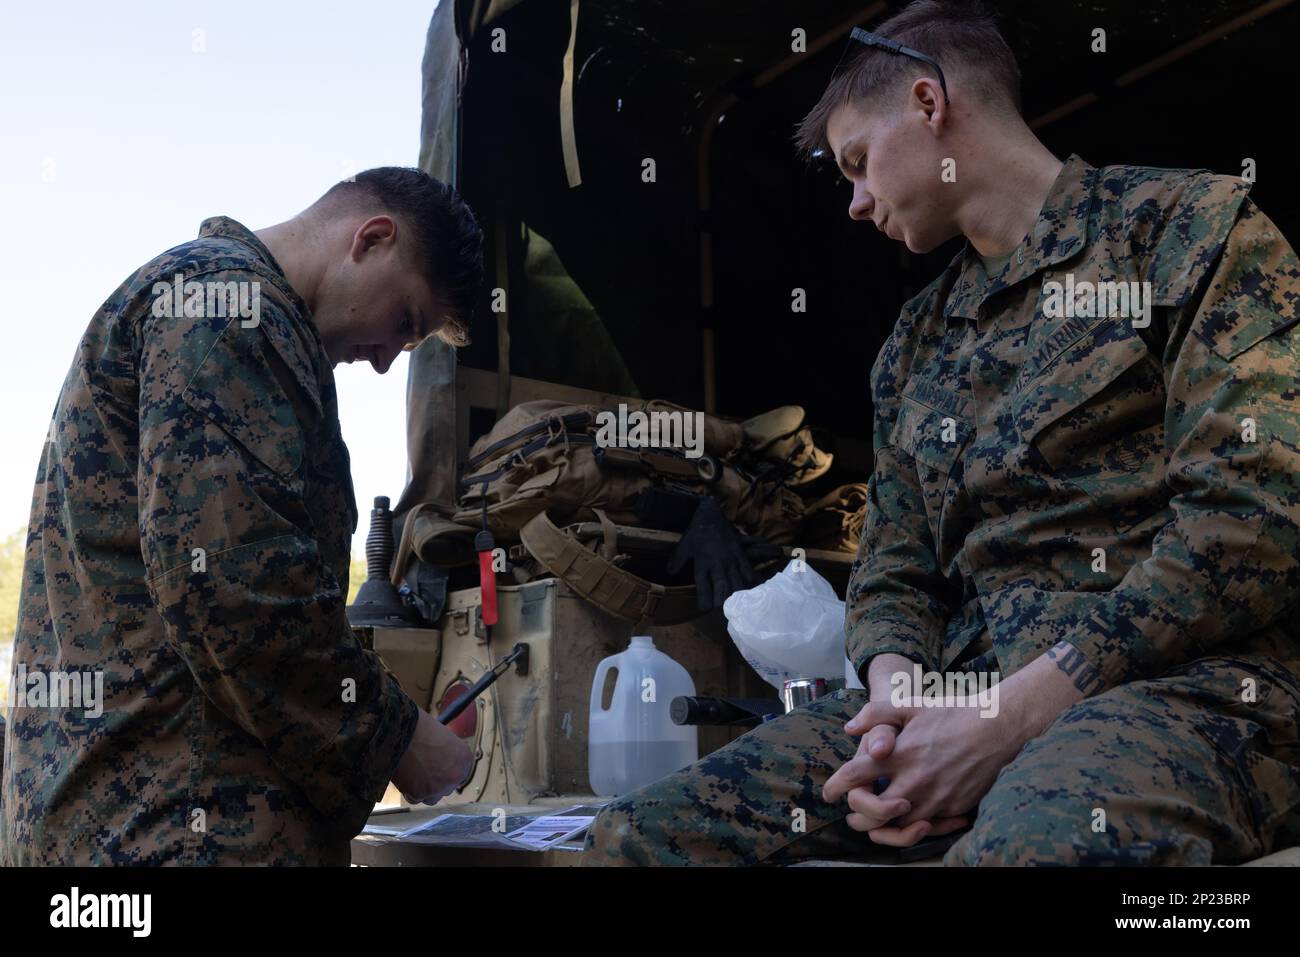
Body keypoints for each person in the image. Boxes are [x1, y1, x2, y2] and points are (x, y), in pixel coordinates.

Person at [581, 0, 1300, 866]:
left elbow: (1253, 521)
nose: (853, 202)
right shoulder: (916, 343)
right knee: (638, 836)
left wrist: (1005, 721)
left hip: (1181, 690)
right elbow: (893, 568)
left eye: (856, 163)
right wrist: (897, 706)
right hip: (962, 698)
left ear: (929, 105)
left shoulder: (1190, 231)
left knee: (1022, 854)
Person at [1, 167, 484, 865]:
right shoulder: (231, 310)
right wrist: (399, 736)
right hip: (169, 833)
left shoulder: (220, 306)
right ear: (373, 239)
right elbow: (235, 591)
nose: (384, 361)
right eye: (404, 324)